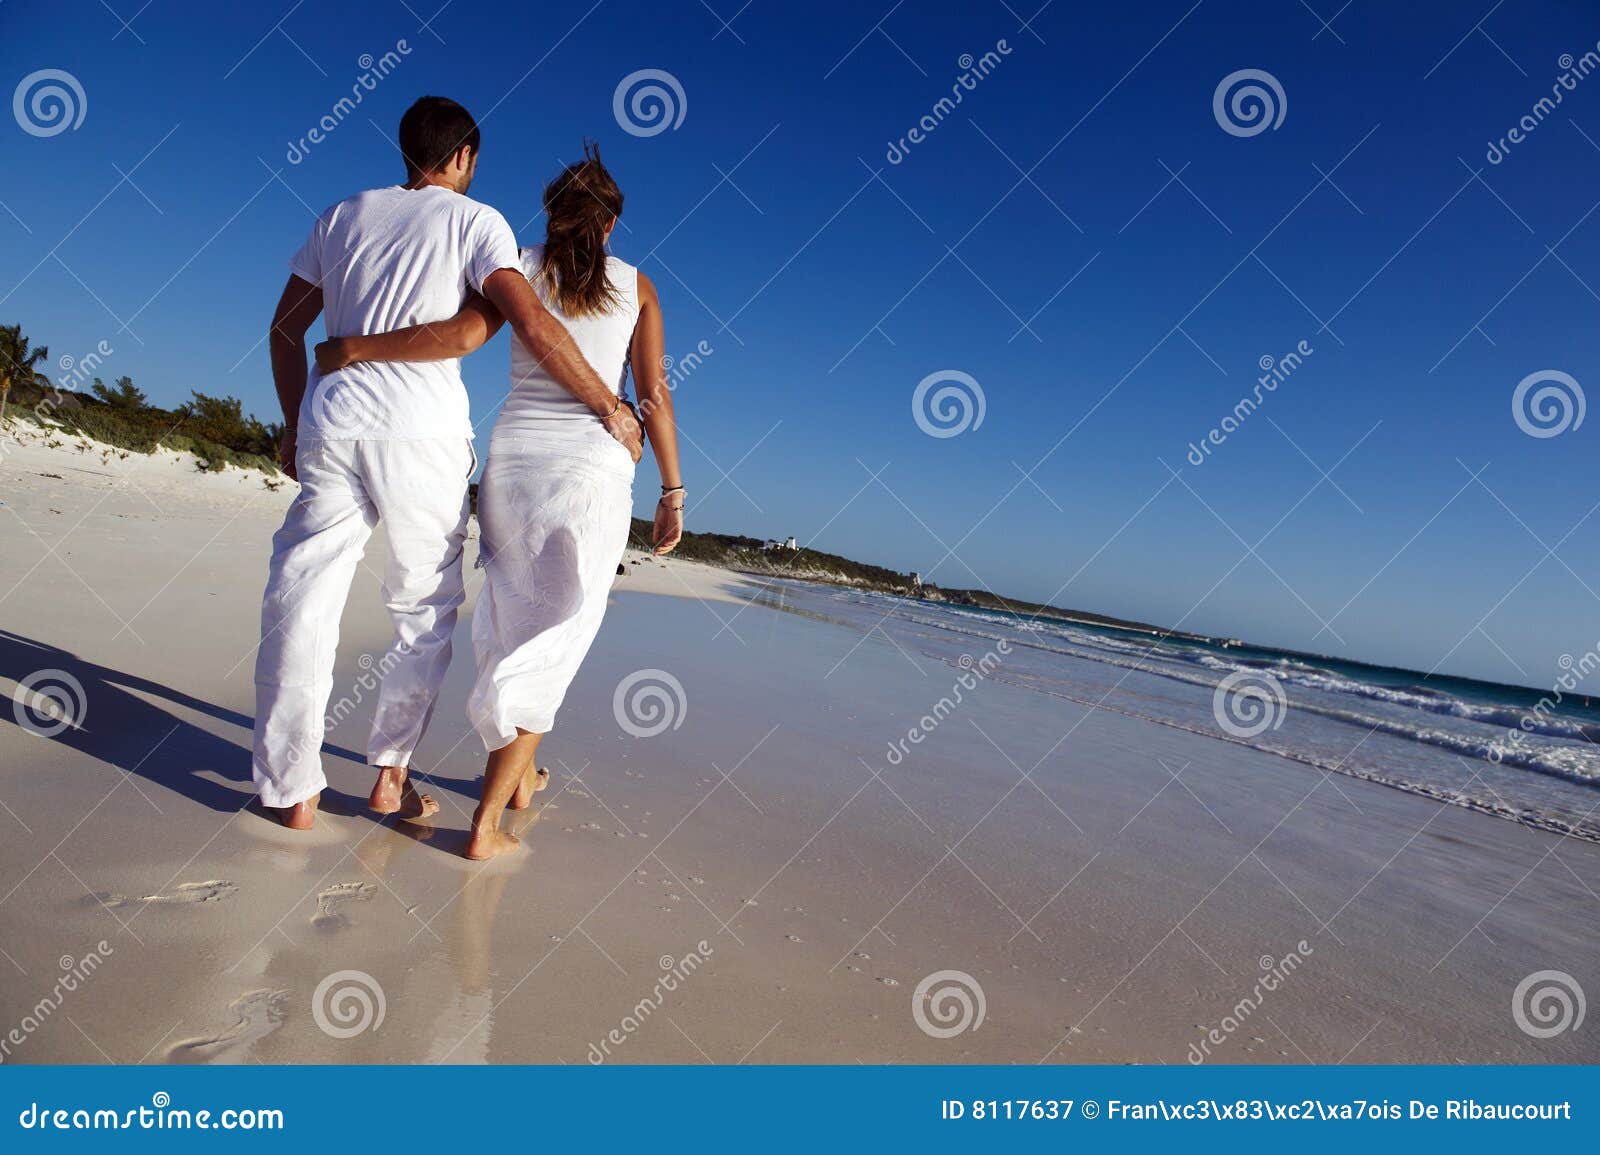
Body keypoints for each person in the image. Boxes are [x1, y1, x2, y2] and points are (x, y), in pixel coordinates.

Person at [256, 99, 643, 831]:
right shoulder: (476, 222)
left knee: (302, 593)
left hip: (331, 422)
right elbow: (512, 323)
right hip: (420, 434)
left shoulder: (340, 216)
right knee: (423, 610)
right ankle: (389, 776)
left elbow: (284, 328)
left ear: (409, 151)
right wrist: (609, 406)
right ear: (464, 157)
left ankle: (289, 789)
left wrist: (289, 420)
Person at [317, 143, 683, 859]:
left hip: (513, 466)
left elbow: (461, 336)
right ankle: (484, 827)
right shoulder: (637, 285)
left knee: (520, 621)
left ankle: (520, 782)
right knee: (560, 637)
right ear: (610, 227)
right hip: (590, 472)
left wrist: (359, 350)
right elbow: (653, 399)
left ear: (552, 215)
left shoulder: (516, 263)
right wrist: (673, 488)